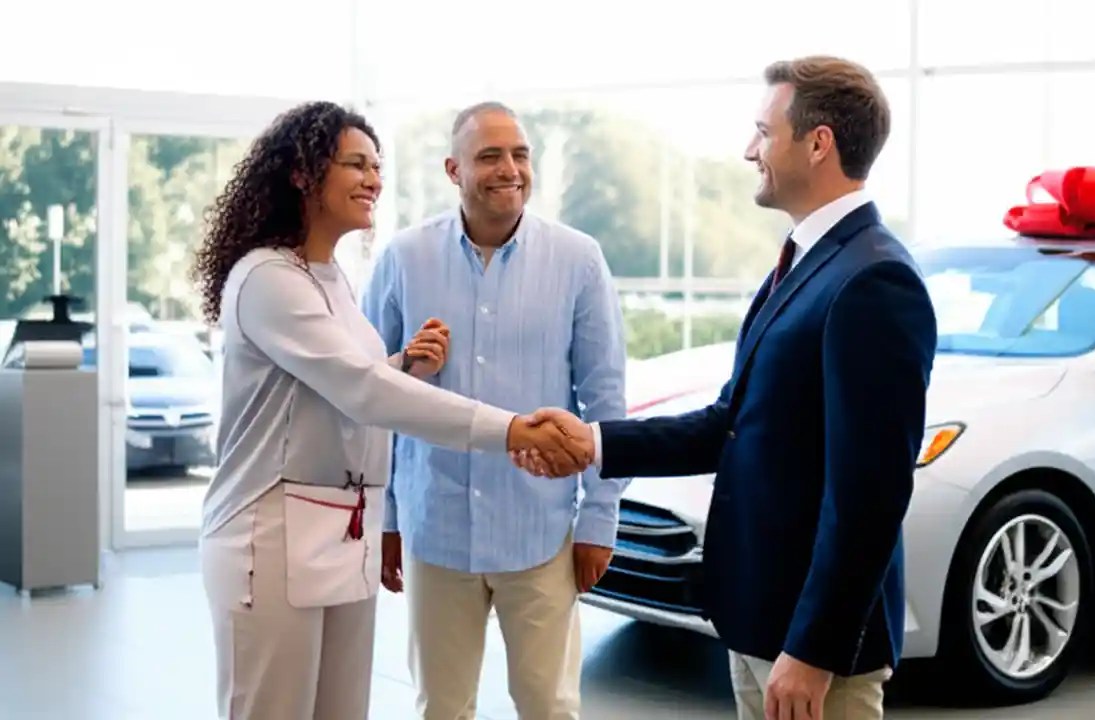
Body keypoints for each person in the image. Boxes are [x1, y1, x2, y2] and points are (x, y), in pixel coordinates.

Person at [517, 56, 937, 720]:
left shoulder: (874, 281)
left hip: (810, 651)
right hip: (759, 622)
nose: (750, 151)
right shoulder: (808, 264)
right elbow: (732, 424)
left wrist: (814, 651)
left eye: (763, 132)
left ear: (818, 142)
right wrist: (593, 442)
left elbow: (870, 494)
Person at [190, 100, 590, 720]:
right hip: (268, 537)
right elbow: (362, 391)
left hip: (339, 527)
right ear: (302, 174)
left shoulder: (328, 277)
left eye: (377, 165)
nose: (375, 179)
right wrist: (510, 430)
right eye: (356, 165)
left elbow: (342, 385)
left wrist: (404, 365)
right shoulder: (268, 277)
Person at [362, 101, 628, 720]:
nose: (509, 169)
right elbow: (373, 395)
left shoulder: (578, 259)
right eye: (489, 156)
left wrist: (598, 522)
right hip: (435, 530)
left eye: (519, 154)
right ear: (453, 169)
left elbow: (606, 400)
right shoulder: (405, 258)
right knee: (440, 707)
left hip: (539, 533)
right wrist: (390, 516)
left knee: (549, 706)